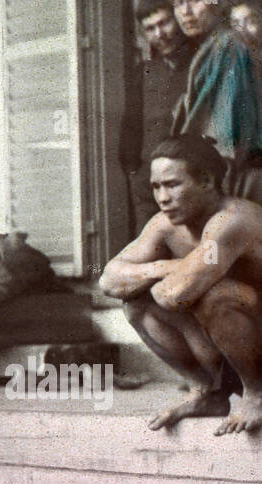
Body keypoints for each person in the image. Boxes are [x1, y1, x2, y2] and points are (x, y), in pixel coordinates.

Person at [100, 133, 262, 432]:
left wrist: (160, 277)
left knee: (218, 296)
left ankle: (257, 394)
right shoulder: (166, 225)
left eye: (173, 184)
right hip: (236, 348)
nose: (163, 197)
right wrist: (165, 266)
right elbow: (109, 279)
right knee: (136, 306)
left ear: (207, 182)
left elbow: (175, 294)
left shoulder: (232, 220)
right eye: (156, 186)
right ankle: (207, 393)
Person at [172, 0, 262, 201]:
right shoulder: (214, 45)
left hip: (236, 182)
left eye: (194, 1)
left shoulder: (228, 45)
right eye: (178, 4)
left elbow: (225, 138)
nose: (185, 12)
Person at [123, 2, 196, 232]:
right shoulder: (144, 72)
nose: (159, 34)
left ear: (177, 20)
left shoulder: (202, 64)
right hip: (149, 185)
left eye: (164, 23)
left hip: (190, 182)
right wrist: (135, 173)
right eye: (150, 28)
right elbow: (131, 126)